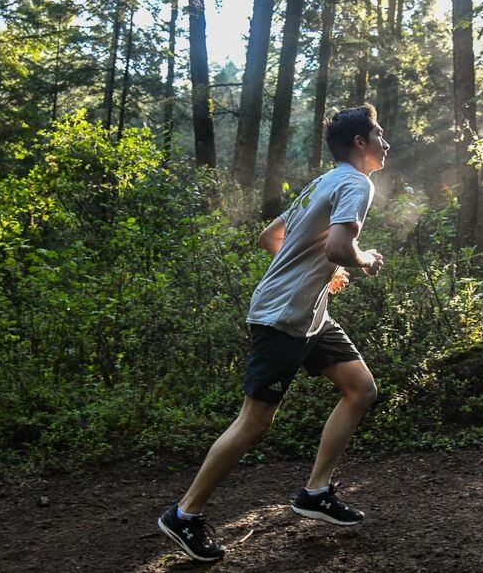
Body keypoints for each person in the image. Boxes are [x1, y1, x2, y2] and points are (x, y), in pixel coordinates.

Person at [157, 104, 390, 562]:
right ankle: (184, 514)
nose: (386, 143)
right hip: (282, 318)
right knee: (255, 421)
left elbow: (270, 236)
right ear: (360, 142)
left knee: (361, 390)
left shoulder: (324, 182)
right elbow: (343, 247)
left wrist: (321, 268)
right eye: (379, 134)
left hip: (310, 316)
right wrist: (363, 260)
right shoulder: (356, 183)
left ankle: (315, 492)